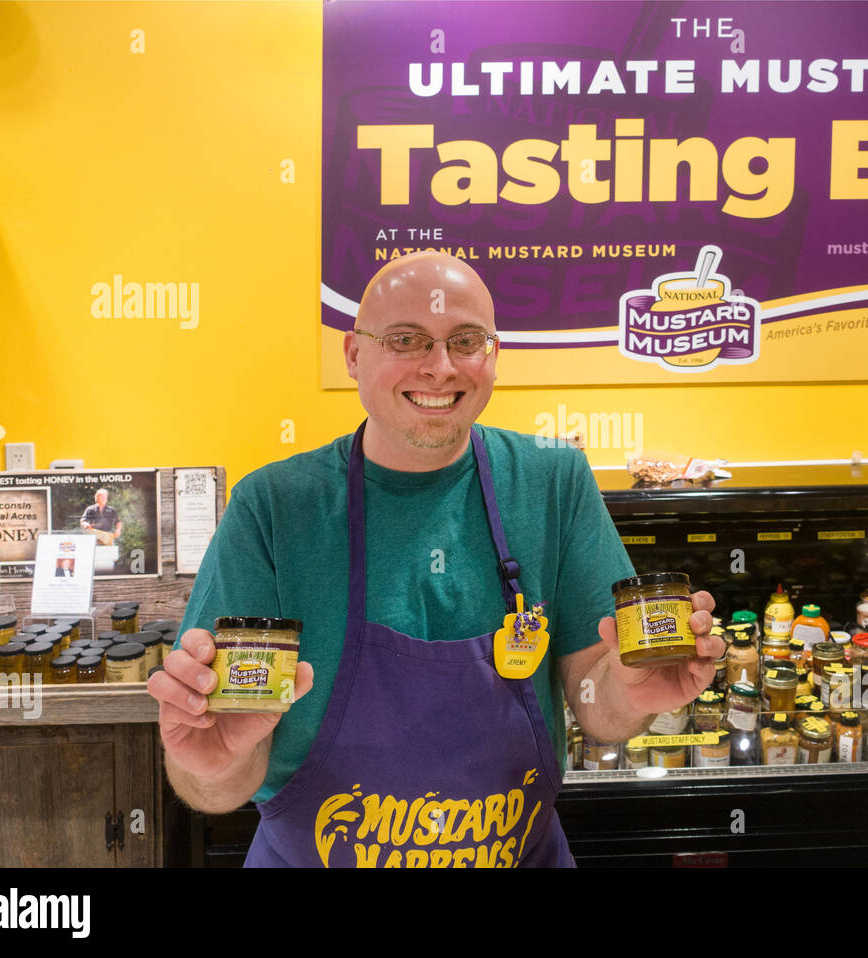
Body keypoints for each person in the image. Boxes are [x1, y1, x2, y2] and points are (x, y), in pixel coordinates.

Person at [148, 251, 721, 868]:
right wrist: (211, 766)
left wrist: (630, 696)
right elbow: (219, 775)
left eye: (466, 341)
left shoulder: (554, 483)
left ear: (492, 354)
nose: (441, 368)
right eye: (406, 339)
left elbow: (596, 704)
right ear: (353, 354)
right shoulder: (273, 508)